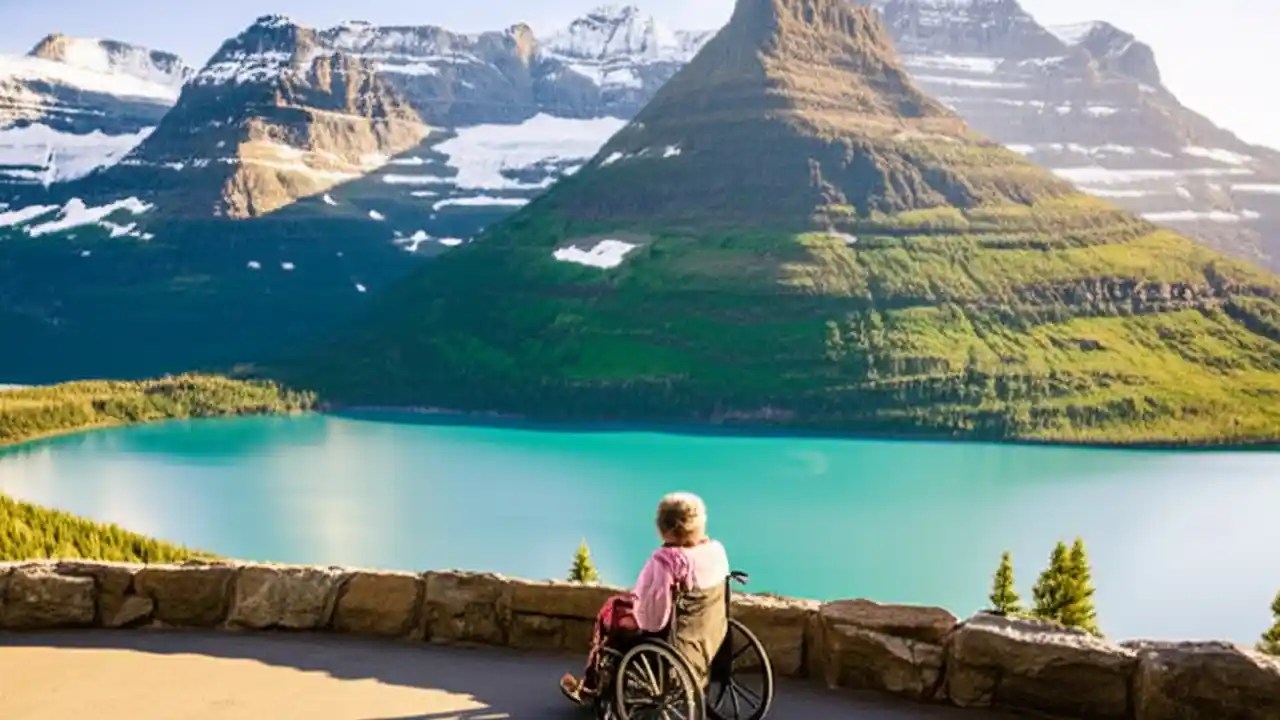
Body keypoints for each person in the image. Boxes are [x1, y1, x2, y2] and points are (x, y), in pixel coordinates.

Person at [560, 491, 730, 704]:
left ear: (664, 527)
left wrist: (633, 617)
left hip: (674, 641)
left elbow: (653, 620)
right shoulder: (715, 551)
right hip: (710, 634)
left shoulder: (667, 562)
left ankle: (593, 686)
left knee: (612, 612)